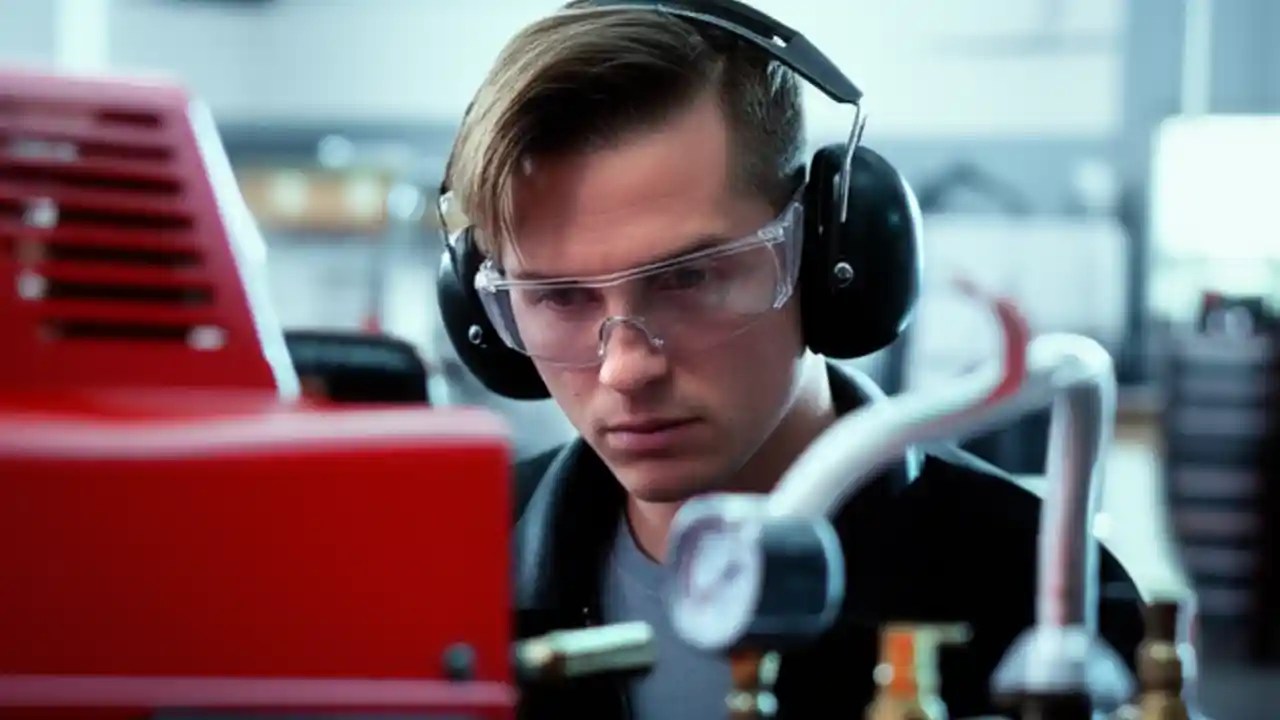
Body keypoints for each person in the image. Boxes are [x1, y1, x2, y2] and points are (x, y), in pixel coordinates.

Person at [435, 1, 1145, 718]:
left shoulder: (1041, 593)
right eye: (559, 299)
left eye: (689, 278)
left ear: (829, 258)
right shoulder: (444, 574)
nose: (625, 369)